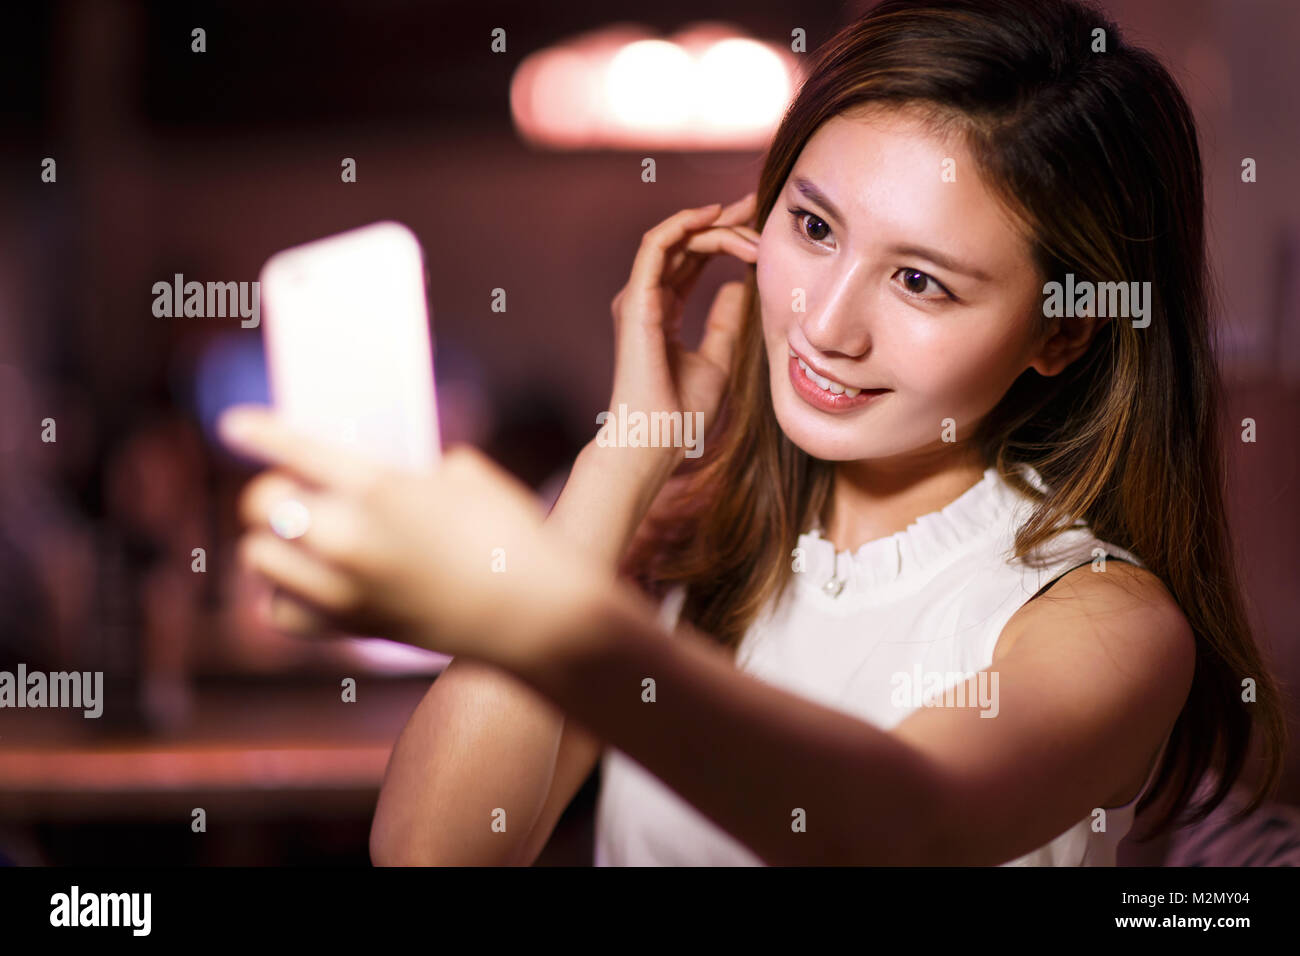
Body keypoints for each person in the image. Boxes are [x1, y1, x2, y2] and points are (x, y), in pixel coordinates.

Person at [219, 0, 1286, 866]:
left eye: (920, 281)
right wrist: (630, 452)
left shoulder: (1103, 620)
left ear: (1059, 334)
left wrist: (540, 612)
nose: (821, 324)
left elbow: (903, 825)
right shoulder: (699, 539)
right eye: (813, 227)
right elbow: (430, 850)